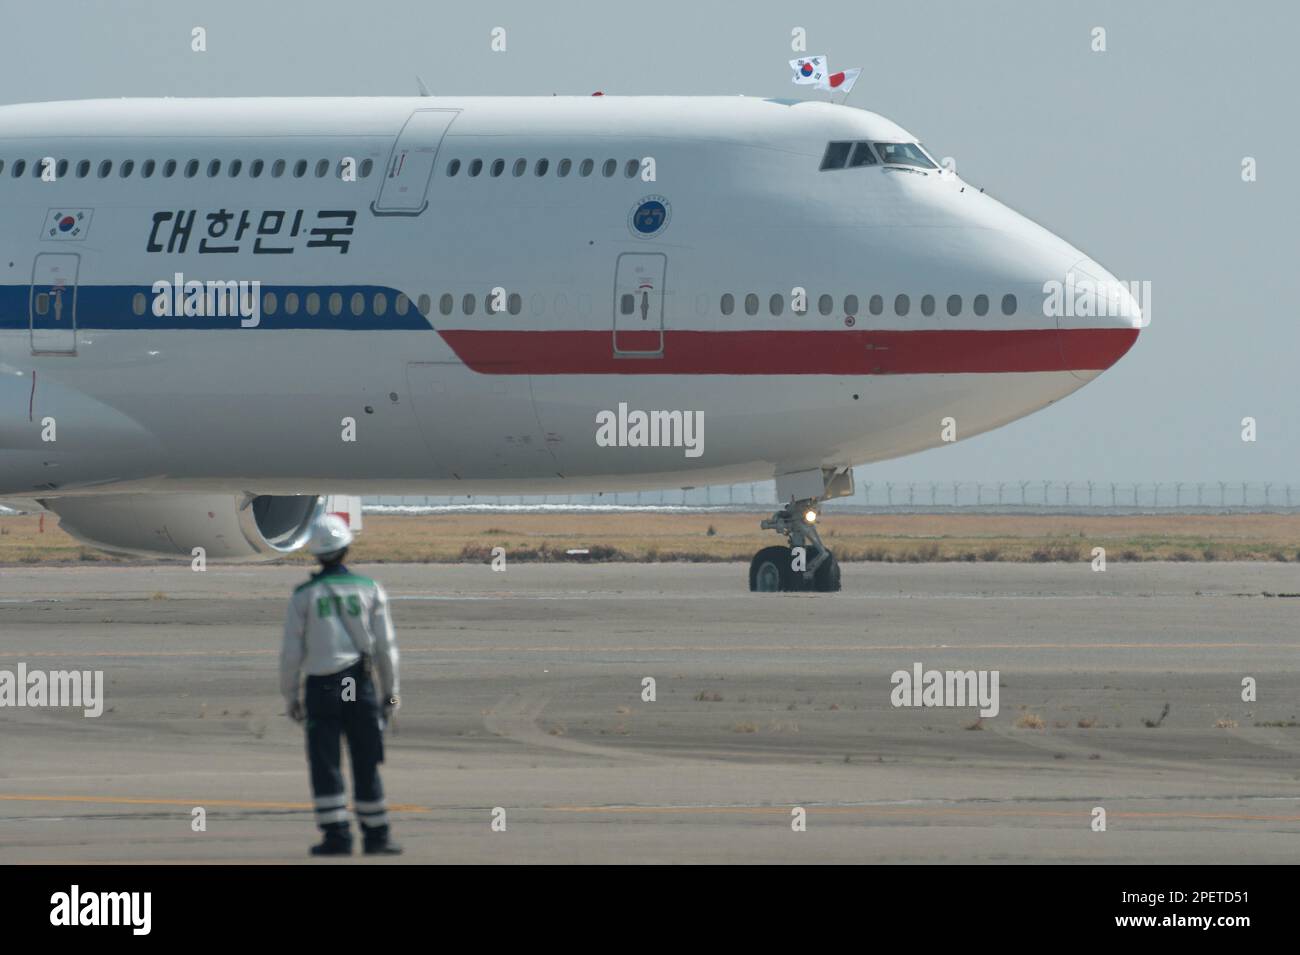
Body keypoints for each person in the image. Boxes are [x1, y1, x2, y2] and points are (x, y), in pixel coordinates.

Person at [280, 514, 401, 856]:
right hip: (356, 684)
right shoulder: (370, 589)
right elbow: (386, 648)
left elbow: (291, 654)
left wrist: (290, 696)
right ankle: (377, 836)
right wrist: (391, 695)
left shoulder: (303, 595)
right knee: (366, 759)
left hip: (323, 688)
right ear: (346, 548)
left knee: (326, 762)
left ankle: (337, 836)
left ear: (315, 553)